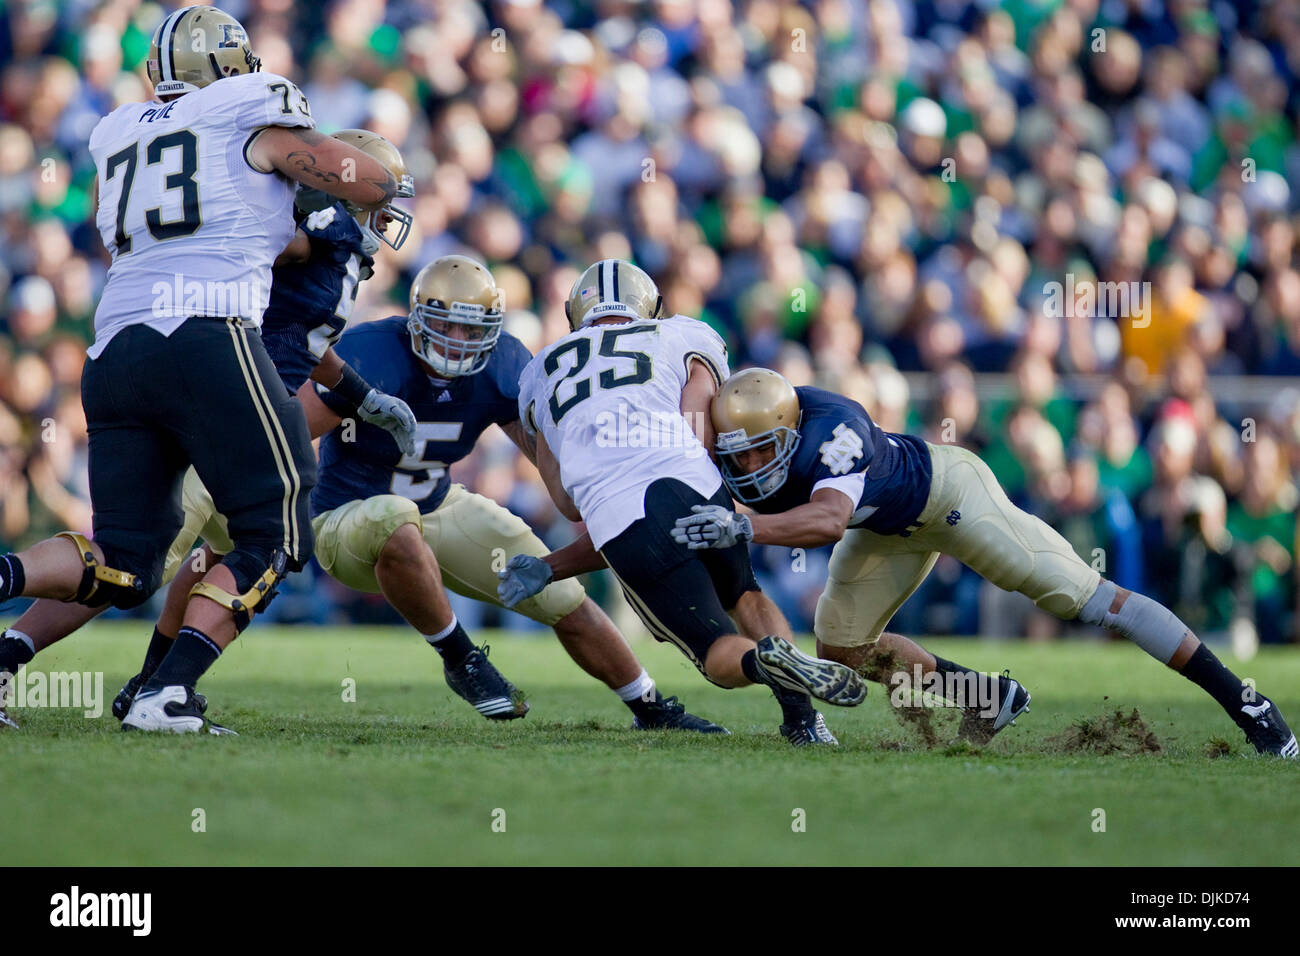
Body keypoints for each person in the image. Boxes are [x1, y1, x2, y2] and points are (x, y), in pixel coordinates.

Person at [0, 6, 399, 734]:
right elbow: (369, 181)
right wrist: (309, 186)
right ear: (232, 65)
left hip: (115, 348)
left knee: (123, 559)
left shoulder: (121, 132)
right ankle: (166, 693)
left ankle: (5, 581)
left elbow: (116, 214)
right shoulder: (251, 112)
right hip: (207, 332)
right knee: (275, 530)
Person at [672, 368, 1297, 757]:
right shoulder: (736, 435)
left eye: (761, 453)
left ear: (787, 431)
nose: (748, 467)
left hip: (949, 495)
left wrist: (744, 524)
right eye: (737, 455)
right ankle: (986, 697)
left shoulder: (834, 428)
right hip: (886, 527)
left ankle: (1249, 705)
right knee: (840, 648)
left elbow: (829, 519)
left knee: (1089, 599)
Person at [296, 254, 724, 730]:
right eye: (446, 325)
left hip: (437, 506)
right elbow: (287, 437)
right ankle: (463, 661)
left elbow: (551, 465)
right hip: (344, 517)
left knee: (561, 595)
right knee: (394, 517)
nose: (458, 340)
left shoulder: (504, 364)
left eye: (472, 329)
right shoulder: (370, 353)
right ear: (416, 319)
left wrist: (623, 508)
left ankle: (651, 708)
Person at [501, 259, 867, 746]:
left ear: (575, 315)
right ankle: (801, 718)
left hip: (622, 516)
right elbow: (700, 427)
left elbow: (567, 501)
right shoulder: (680, 334)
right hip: (690, 479)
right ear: (650, 307)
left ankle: (761, 663)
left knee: (715, 647)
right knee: (746, 594)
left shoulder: (540, 371)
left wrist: (557, 556)